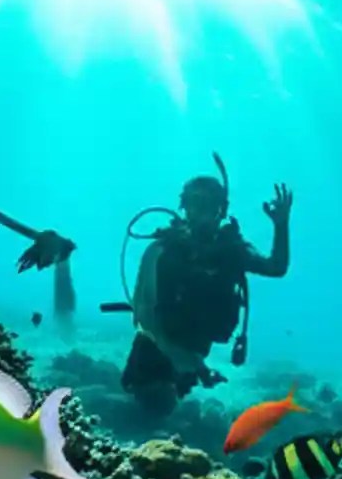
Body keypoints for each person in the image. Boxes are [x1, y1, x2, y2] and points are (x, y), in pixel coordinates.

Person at [121, 169, 293, 415]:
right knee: (143, 403)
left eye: (208, 206)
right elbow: (144, 315)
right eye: (195, 204)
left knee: (165, 408)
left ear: (220, 210)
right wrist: (197, 366)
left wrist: (281, 226)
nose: (201, 214)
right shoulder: (163, 251)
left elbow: (276, 267)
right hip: (156, 342)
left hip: (195, 346)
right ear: (184, 207)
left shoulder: (232, 250)